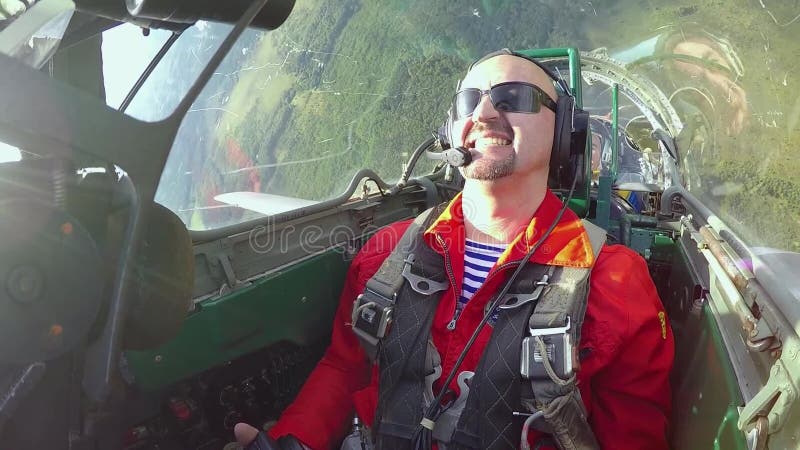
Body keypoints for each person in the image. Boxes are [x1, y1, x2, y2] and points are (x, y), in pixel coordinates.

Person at [236, 51, 674, 449]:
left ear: (564, 133)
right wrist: (294, 441)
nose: (484, 113)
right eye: (469, 101)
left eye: (513, 97)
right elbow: (345, 367)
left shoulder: (616, 283)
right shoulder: (385, 254)